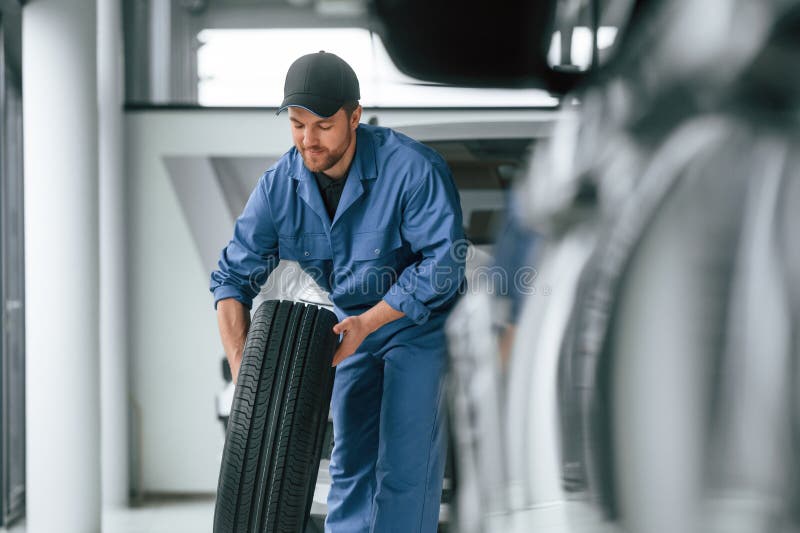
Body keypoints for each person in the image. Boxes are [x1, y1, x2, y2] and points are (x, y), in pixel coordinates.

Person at [209, 51, 465, 532]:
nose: (309, 139)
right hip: (350, 327)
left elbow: (444, 265)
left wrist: (371, 322)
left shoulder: (411, 169)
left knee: (405, 465)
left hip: (418, 326)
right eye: (297, 124)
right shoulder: (278, 187)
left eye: (324, 125)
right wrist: (247, 372)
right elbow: (230, 279)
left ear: (354, 116)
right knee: (351, 460)